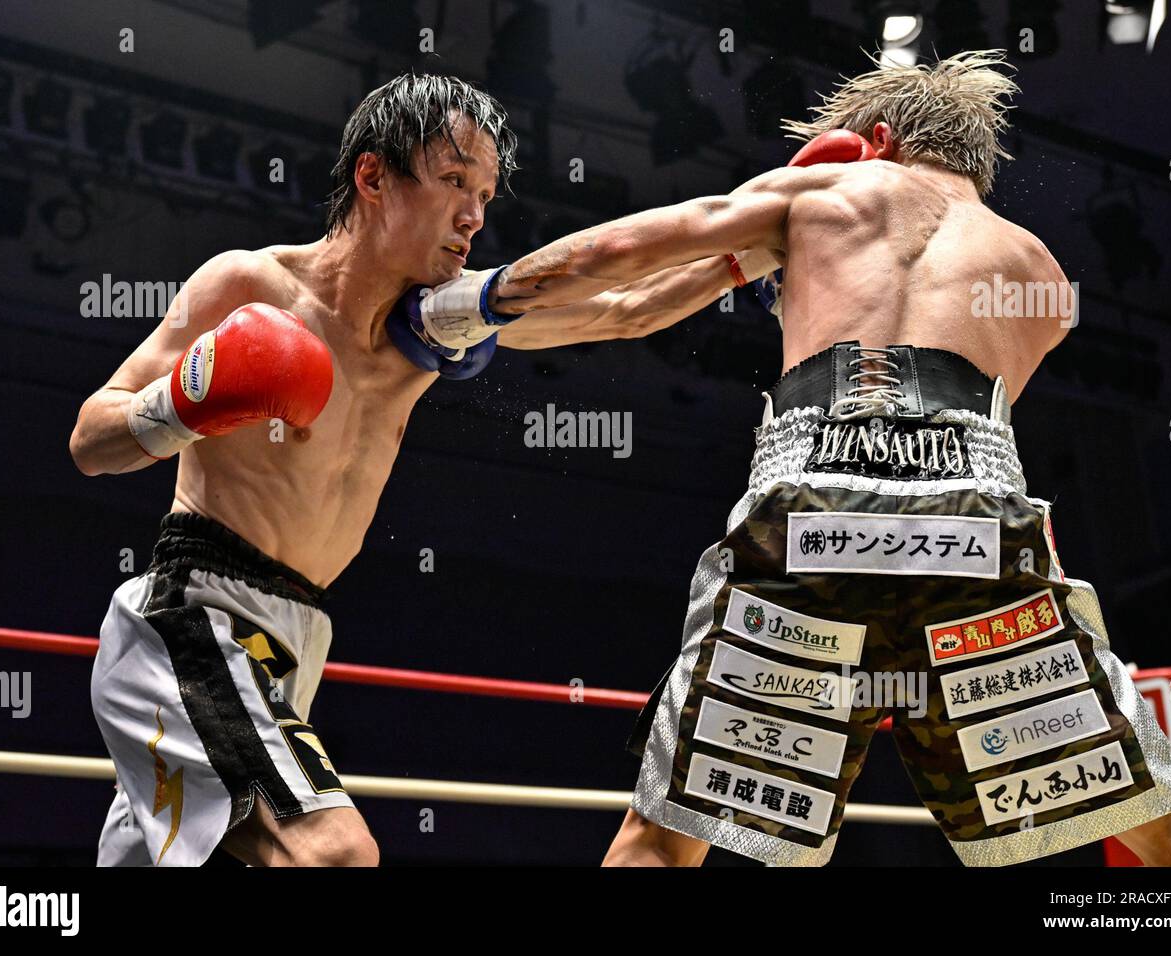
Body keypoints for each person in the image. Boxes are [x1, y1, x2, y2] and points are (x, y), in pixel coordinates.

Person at [406, 50, 1171, 866]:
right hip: (981, 525)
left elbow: (616, 268)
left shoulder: (825, 190)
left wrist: (472, 306)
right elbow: (955, 390)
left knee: (663, 839)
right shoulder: (1042, 276)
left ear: (871, 138)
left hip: (815, 506)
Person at [69, 73, 745, 867]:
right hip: (194, 617)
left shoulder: (433, 327)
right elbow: (90, 439)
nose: (473, 216)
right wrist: (189, 401)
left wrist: (747, 257)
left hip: (297, 640)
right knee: (335, 854)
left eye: (486, 196)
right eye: (455, 180)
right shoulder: (251, 285)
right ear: (373, 176)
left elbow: (625, 311)